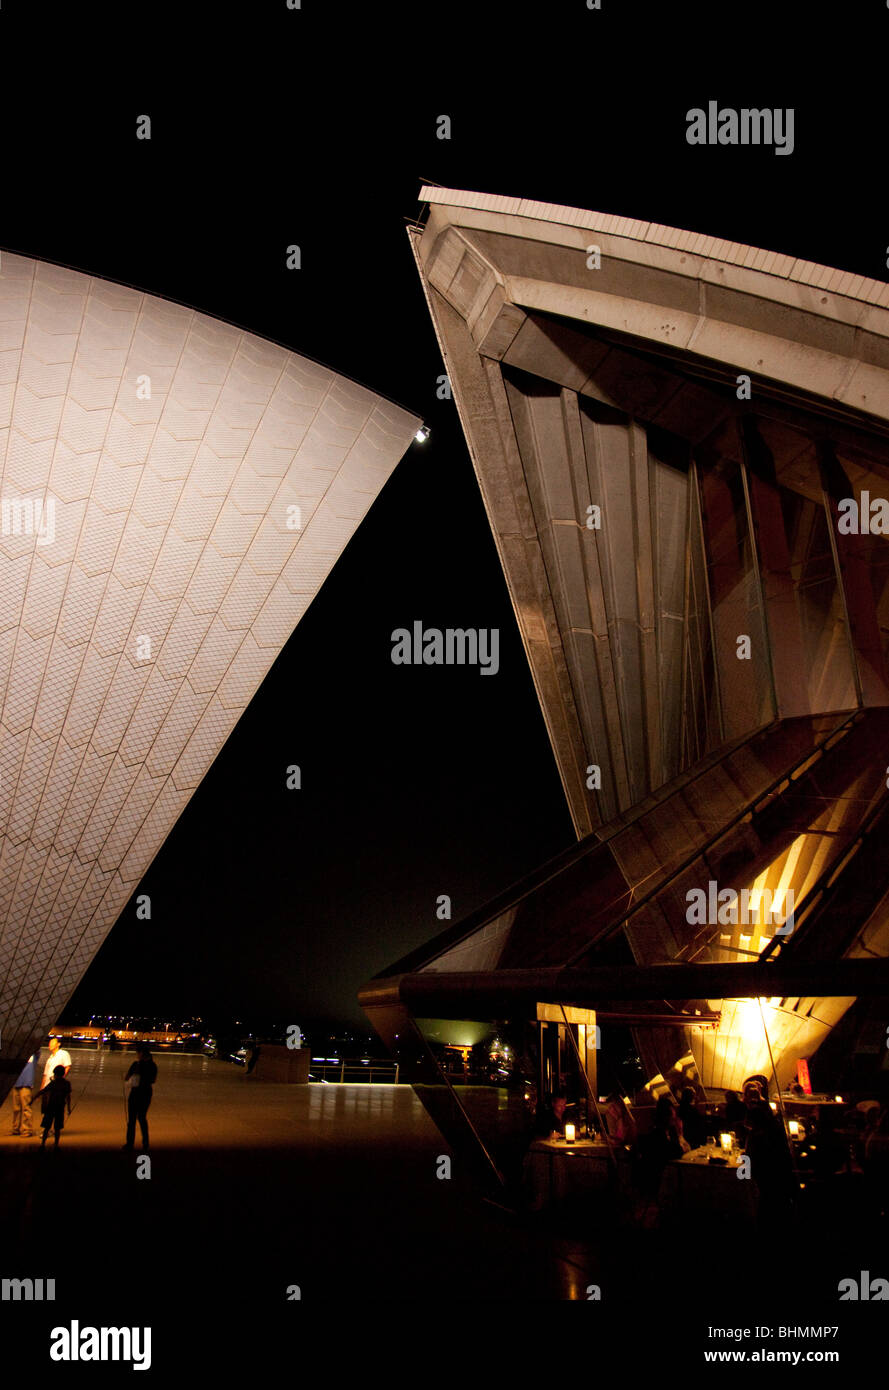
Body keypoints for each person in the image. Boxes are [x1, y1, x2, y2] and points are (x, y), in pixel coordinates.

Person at [122, 1044, 158, 1152]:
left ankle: (130, 1143)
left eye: (138, 1053)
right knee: (141, 1118)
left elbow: (127, 1077)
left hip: (137, 1093)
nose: (137, 1055)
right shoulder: (153, 1065)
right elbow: (153, 1080)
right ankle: (145, 1143)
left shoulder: (136, 1064)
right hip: (145, 1092)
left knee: (133, 1119)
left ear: (141, 1053)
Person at [32, 1065, 72, 1147]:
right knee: (57, 1128)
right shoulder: (66, 1084)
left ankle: (43, 1144)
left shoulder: (53, 1083)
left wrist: (32, 1100)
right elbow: (68, 1097)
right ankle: (56, 1144)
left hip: (51, 1107)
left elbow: (42, 1091)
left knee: (46, 1127)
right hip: (60, 1108)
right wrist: (68, 1108)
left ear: (55, 1074)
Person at [10, 1052, 38, 1137]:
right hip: (16, 1083)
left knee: (26, 1108)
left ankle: (27, 1129)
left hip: (26, 1084)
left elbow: (37, 1050)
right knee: (16, 1108)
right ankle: (15, 1128)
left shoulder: (33, 1055)